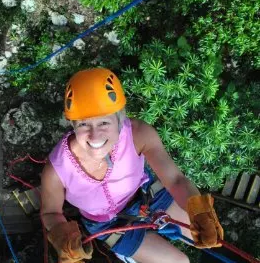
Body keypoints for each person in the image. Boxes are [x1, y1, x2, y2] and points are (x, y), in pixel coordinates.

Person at [40, 67, 224, 263]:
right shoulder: (57, 170)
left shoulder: (138, 135)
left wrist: (199, 210)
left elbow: (176, 180)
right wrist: (63, 236)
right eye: (84, 124)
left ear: (120, 118)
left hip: (147, 195)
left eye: (104, 123)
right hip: (105, 224)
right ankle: (127, 249)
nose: (95, 136)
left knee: (211, 237)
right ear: (73, 124)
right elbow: (51, 213)